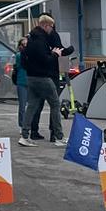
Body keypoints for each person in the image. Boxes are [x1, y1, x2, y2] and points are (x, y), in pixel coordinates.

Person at [19, 15, 66, 147]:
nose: (52, 29)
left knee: (32, 106)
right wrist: (55, 54)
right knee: (55, 104)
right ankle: (59, 137)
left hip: (30, 77)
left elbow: (23, 59)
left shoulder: (30, 38)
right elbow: (46, 60)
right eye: (51, 27)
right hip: (43, 77)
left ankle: (24, 136)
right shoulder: (41, 40)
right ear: (46, 25)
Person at [14, 34, 36, 141]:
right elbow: (20, 65)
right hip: (22, 81)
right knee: (22, 105)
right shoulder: (19, 55)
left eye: (27, 44)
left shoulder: (31, 54)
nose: (25, 46)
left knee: (30, 105)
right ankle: (21, 125)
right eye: (24, 44)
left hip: (30, 81)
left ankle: (28, 124)